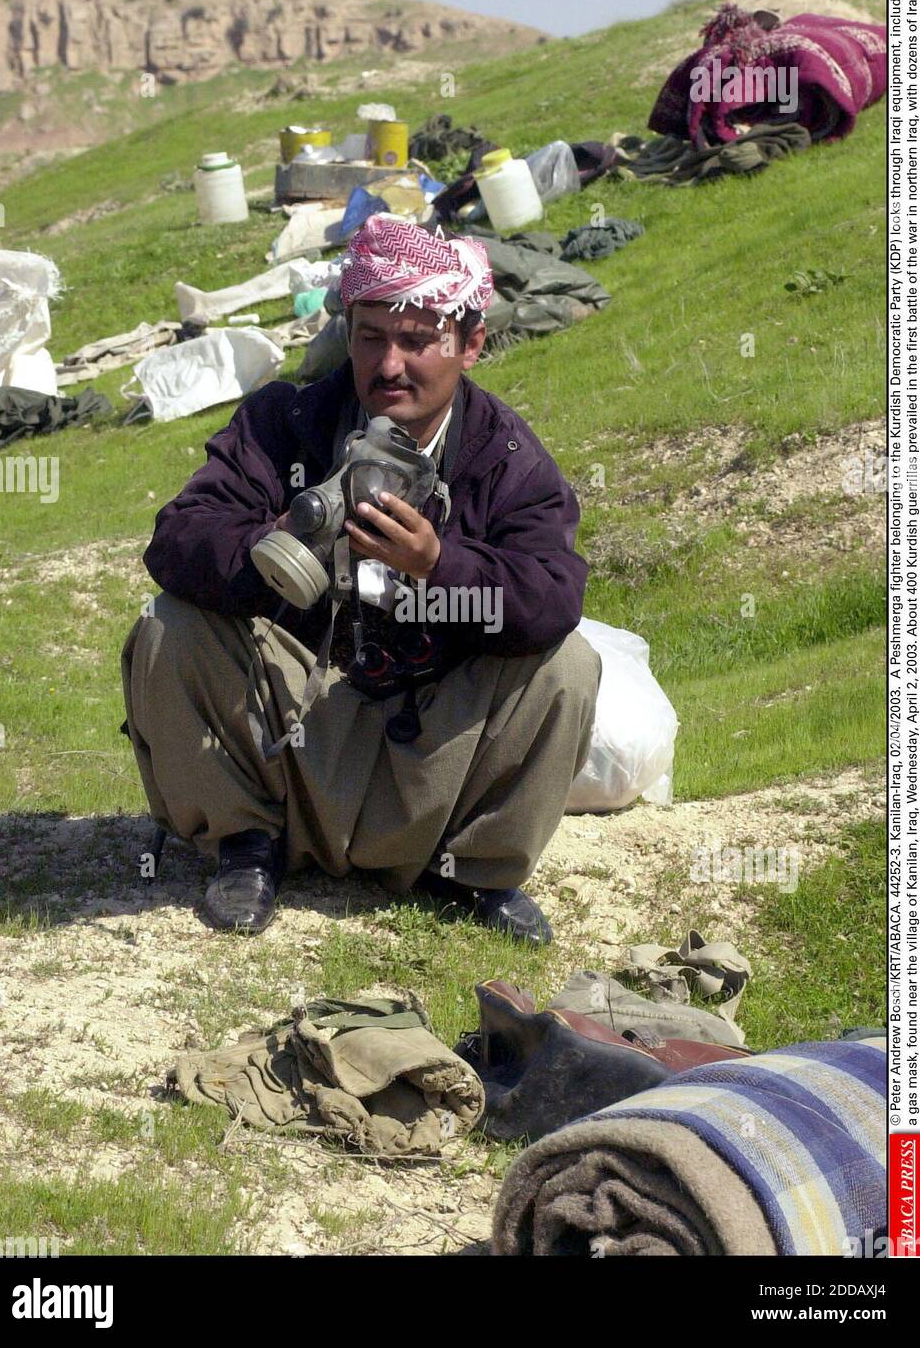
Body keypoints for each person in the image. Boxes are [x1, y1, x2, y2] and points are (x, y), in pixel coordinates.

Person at [121, 215, 600, 945]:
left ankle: (471, 870)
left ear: (470, 345)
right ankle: (245, 845)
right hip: (296, 728)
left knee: (567, 666)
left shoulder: (505, 457)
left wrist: (440, 568)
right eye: (372, 336)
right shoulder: (286, 423)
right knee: (170, 626)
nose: (388, 366)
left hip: (432, 747)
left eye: (417, 341)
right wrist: (275, 544)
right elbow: (177, 538)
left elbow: (552, 597)